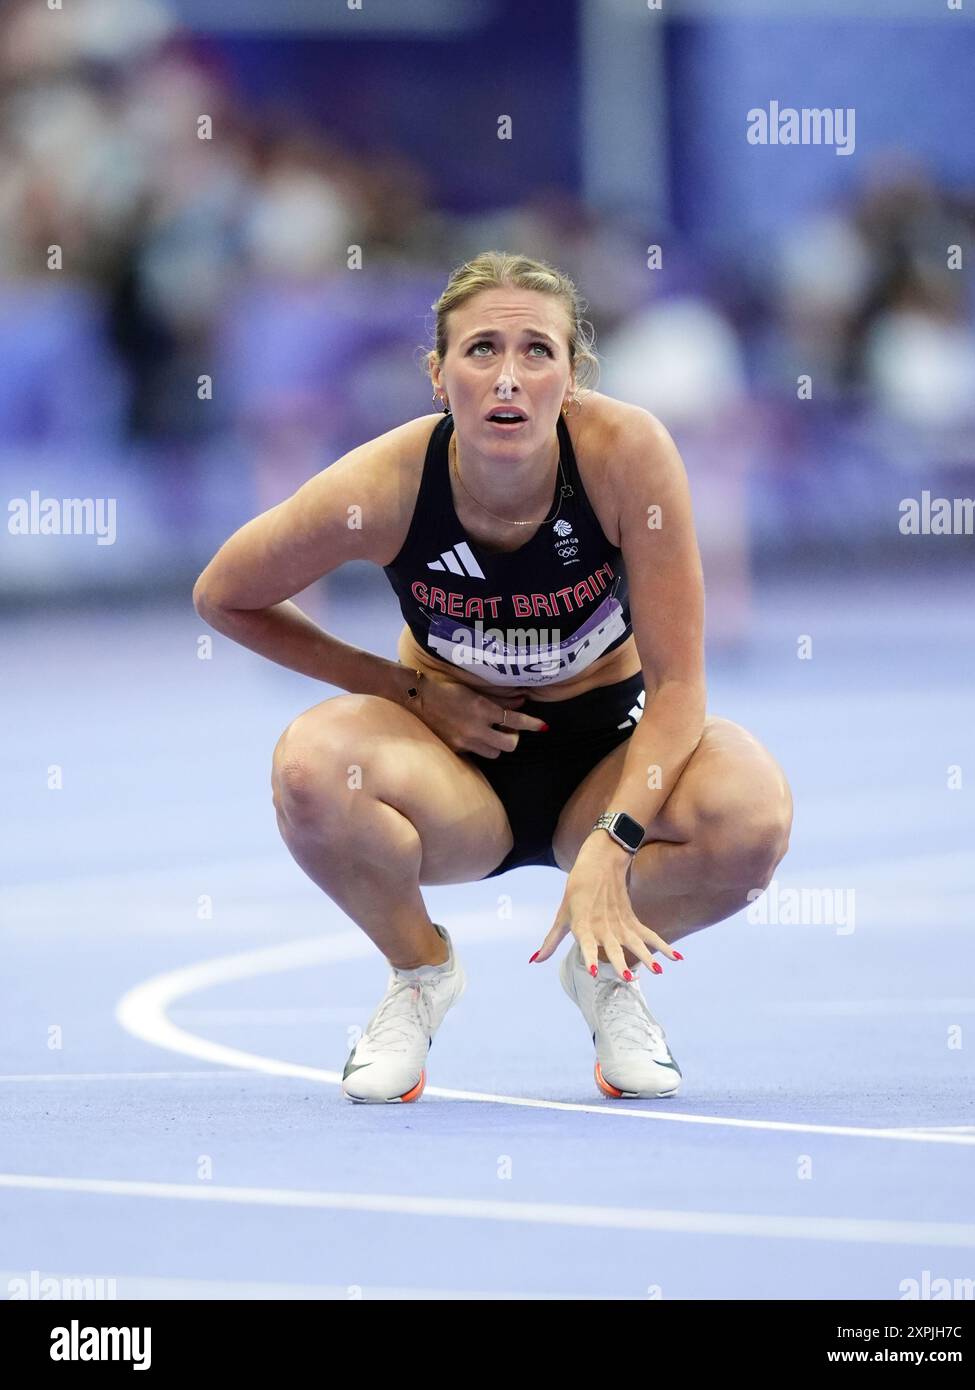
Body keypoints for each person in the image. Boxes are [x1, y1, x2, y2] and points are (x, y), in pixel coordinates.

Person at [193, 251, 793, 1105]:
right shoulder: (387, 483)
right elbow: (225, 595)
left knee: (751, 812)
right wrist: (409, 691)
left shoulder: (628, 457)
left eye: (536, 352)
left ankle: (604, 971)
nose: (508, 378)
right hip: (453, 769)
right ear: (439, 376)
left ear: (572, 377)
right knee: (311, 766)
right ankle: (419, 973)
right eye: (481, 351)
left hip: (608, 757)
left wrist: (614, 842)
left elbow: (681, 691)